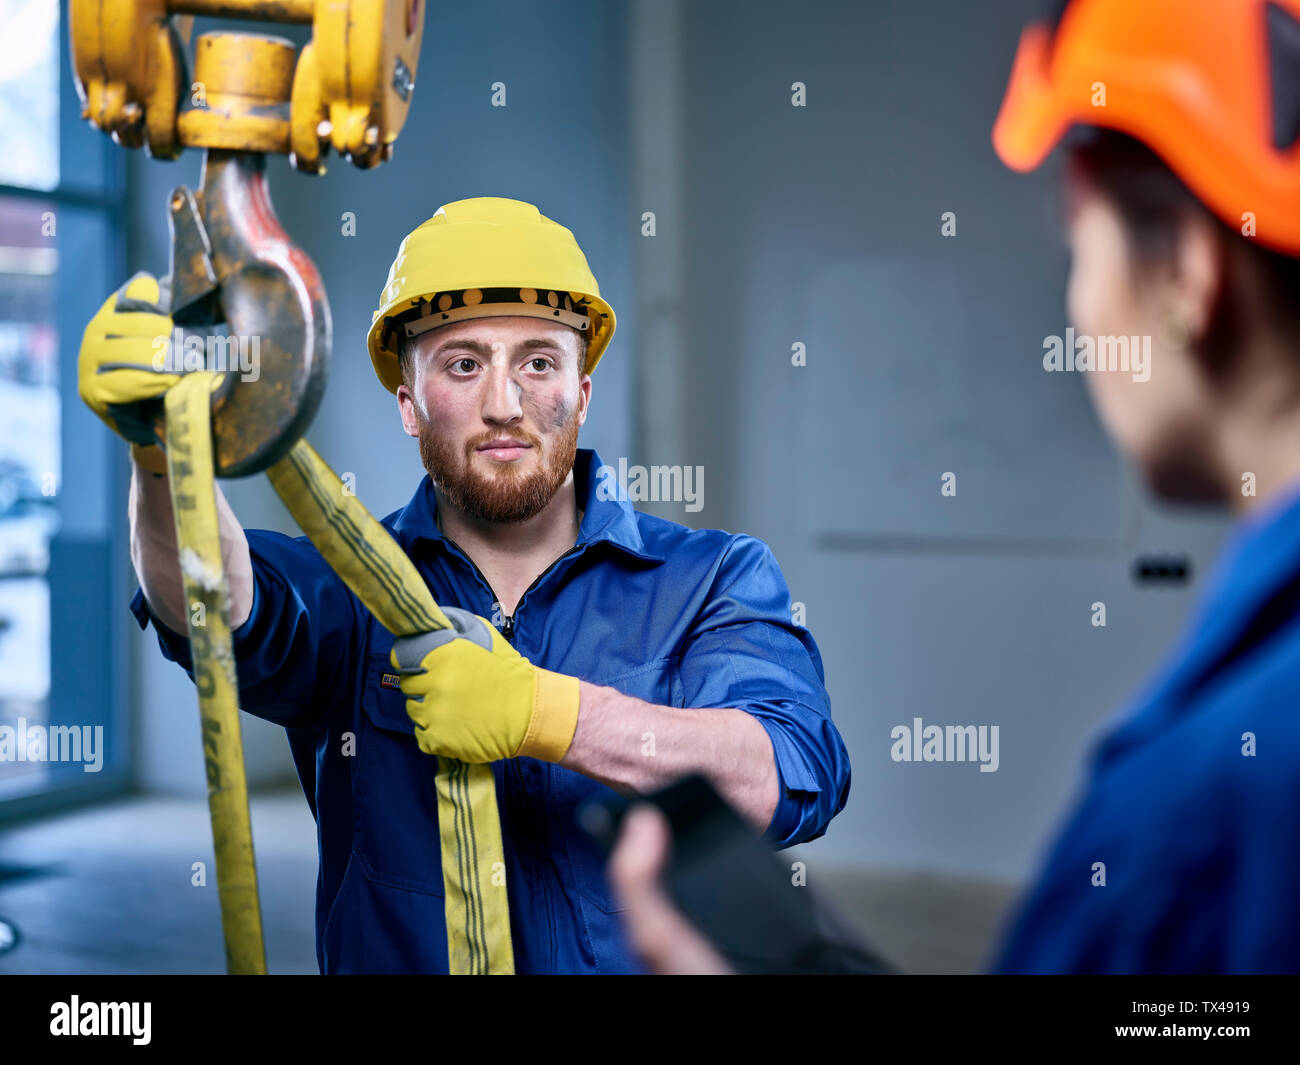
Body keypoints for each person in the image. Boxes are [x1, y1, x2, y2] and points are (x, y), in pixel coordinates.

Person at [609, 0, 1300, 975]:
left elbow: (805, 765)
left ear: (1184, 266)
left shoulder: (1196, 814)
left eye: (1080, 251)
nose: (1077, 308)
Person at [77, 196, 852, 974]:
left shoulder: (709, 578)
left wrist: (547, 714)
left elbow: (792, 771)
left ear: (582, 392)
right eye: (464, 363)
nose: (504, 406)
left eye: (539, 361)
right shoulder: (352, 584)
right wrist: (158, 447)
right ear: (410, 404)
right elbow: (213, 602)